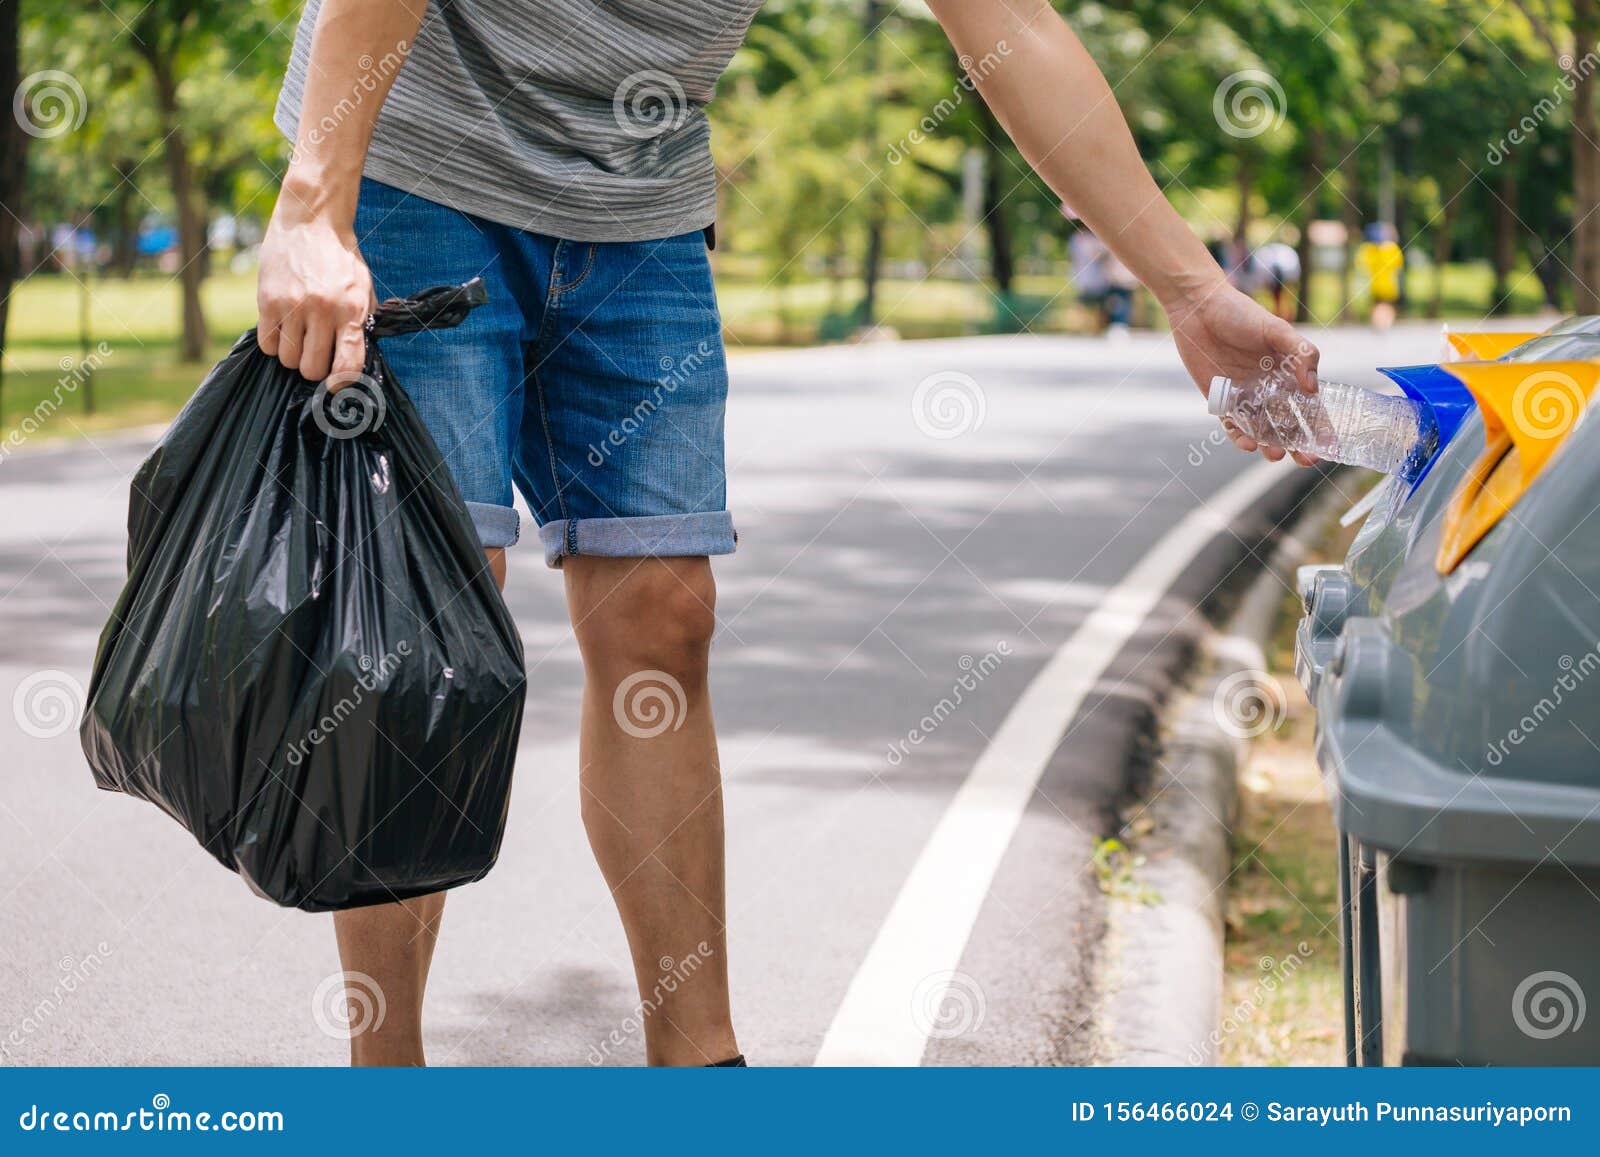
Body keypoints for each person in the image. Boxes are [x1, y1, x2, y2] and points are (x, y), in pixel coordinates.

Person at [259, 0, 1320, 1067]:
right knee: (432, 618)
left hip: (637, 200)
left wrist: (1190, 291)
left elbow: (1013, 30)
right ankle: (383, 1070)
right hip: (418, 161)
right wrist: (314, 204)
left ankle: (702, 1065)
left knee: (665, 616)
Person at [1358, 223, 1404, 331]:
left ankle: (1377, 323)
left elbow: (1362, 264)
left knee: (1376, 304)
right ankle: (1385, 323)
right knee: (1388, 305)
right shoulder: (1392, 249)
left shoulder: (1369, 250)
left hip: (1374, 283)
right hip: (1389, 284)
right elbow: (1398, 267)